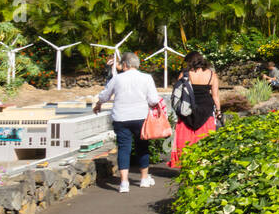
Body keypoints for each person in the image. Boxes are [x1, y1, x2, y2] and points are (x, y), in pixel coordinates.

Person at [93, 52, 162, 193]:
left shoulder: (117, 79)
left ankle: (124, 183)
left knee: (124, 148)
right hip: (140, 117)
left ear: (125, 64)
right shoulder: (146, 78)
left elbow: (105, 95)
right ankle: (143, 178)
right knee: (142, 147)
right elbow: (154, 100)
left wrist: (98, 104)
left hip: (121, 117)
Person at [170, 51, 220, 168]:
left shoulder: (185, 74)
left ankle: (185, 164)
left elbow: (177, 92)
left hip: (187, 109)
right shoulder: (212, 75)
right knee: (205, 137)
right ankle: (203, 164)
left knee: (185, 138)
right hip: (205, 110)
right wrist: (218, 111)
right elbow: (215, 96)